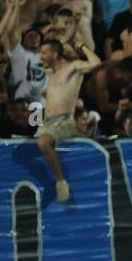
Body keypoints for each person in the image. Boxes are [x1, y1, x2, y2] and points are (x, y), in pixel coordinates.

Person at [36, 39, 100, 203]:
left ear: (55, 54)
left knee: (43, 143)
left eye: (44, 53)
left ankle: (60, 182)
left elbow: (96, 63)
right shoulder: (51, 73)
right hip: (46, 122)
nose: (40, 56)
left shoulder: (73, 67)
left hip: (64, 121)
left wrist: (82, 46)